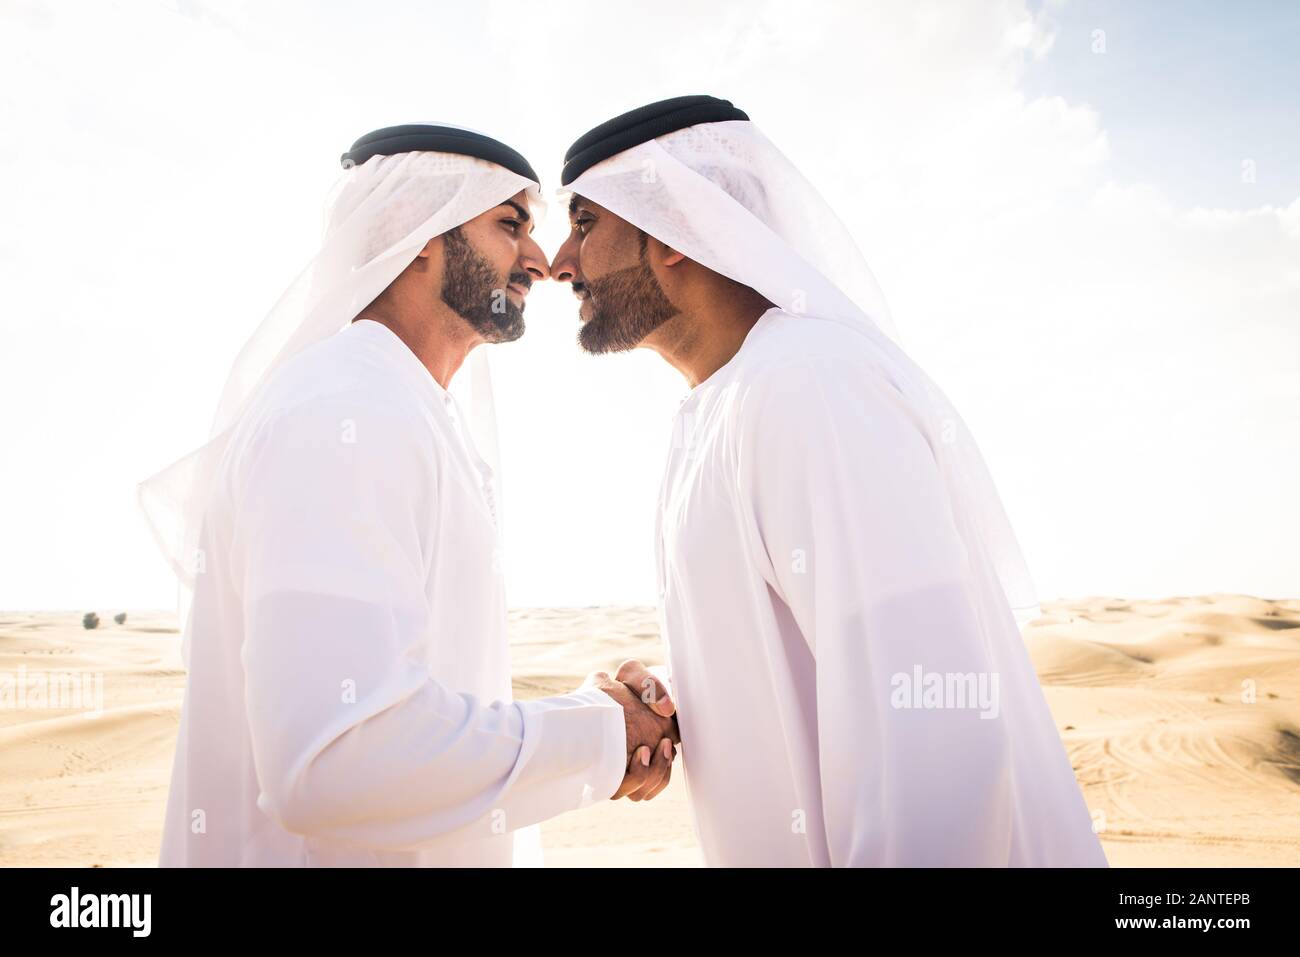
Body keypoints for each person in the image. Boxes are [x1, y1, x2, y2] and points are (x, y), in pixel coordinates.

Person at [548, 95, 1109, 867]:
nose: (558, 262)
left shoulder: (812, 384)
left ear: (670, 228)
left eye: (585, 224)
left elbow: (932, 736)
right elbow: (819, 654)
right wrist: (680, 693)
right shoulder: (719, 406)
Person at [139, 123, 677, 867]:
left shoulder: (404, 408)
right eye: (509, 224)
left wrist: (592, 715)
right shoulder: (342, 410)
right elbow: (335, 758)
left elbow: (420, 696)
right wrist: (595, 733)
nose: (537, 260)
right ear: (413, 233)